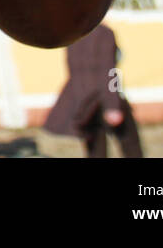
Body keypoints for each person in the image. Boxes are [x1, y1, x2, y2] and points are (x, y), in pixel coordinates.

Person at [45, 23, 143, 158]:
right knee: (131, 146)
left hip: (85, 100)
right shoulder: (104, 33)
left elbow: (73, 71)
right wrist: (113, 105)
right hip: (105, 97)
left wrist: (80, 102)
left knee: (95, 151)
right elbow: (110, 70)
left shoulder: (72, 34)